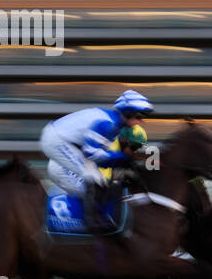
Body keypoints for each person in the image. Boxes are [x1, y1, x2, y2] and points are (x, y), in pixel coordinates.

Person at [40, 90, 153, 233]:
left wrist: (125, 163)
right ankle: (91, 225)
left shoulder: (114, 125)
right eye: (139, 116)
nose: (141, 121)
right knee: (92, 177)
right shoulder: (108, 124)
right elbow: (92, 154)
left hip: (63, 143)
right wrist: (124, 159)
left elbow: (100, 160)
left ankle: (94, 221)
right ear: (128, 113)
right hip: (56, 141)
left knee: (98, 181)